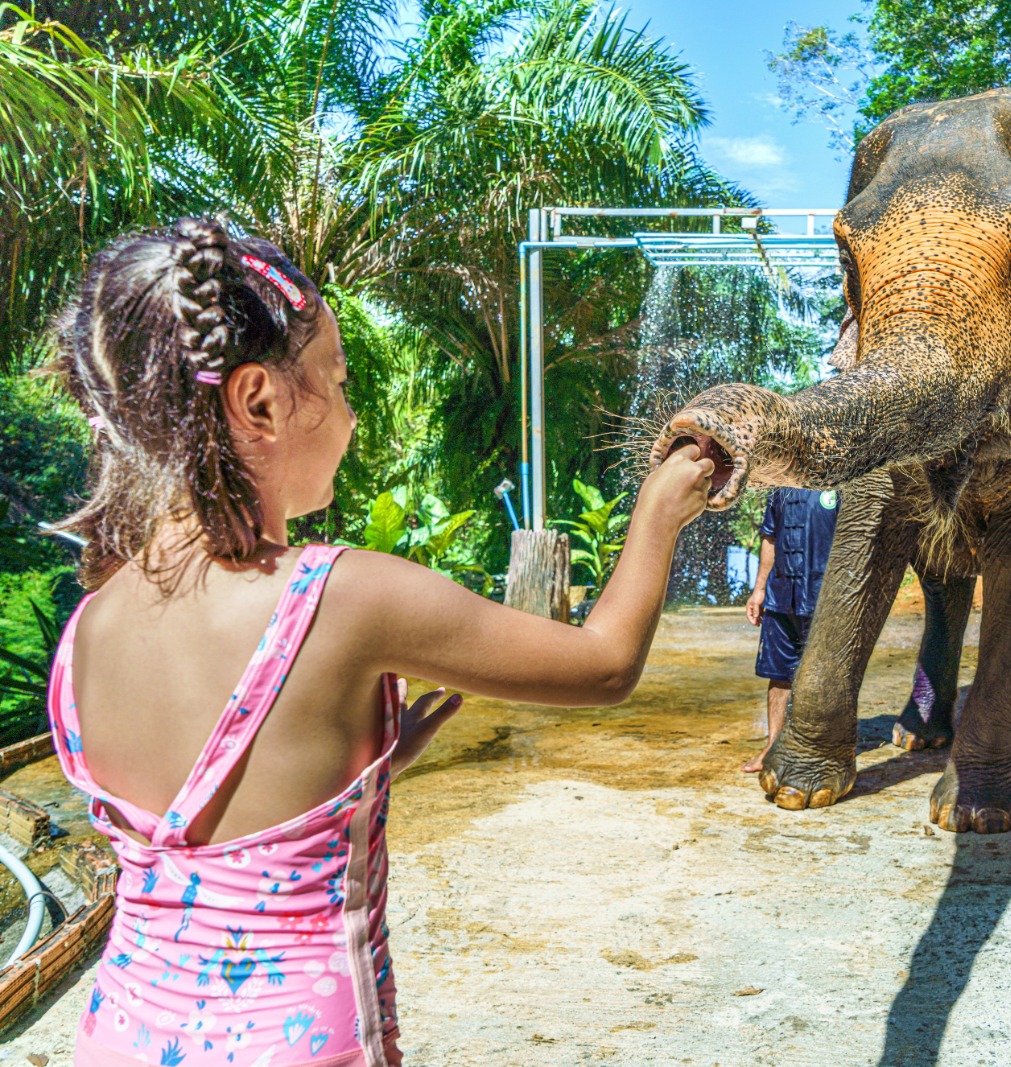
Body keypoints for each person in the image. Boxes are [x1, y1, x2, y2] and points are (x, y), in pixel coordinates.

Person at [45, 218, 714, 1067]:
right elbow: (604, 663)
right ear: (260, 401)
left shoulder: (91, 625)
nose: (355, 414)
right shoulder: (345, 596)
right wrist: (660, 506)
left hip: (122, 1035)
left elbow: (198, 825)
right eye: (338, 378)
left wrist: (358, 778)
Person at [742, 486, 839, 772]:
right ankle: (773, 746)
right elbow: (770, 539)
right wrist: (759, 590)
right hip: (781, 597)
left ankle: (819, 747)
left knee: (826, 677)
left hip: (824, 600)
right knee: (779, 676)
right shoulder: (780, 488)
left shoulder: (841, 484)